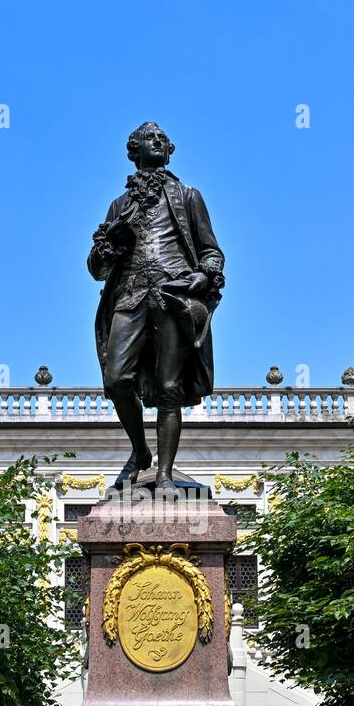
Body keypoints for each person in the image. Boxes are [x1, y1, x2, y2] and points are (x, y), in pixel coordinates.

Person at [88, 122, 225, 493]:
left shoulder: (187, 196)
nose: (160, 142)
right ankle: (140, 451)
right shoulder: (119, 205)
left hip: (173, 296)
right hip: (130, 295)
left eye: (164, 139)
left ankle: (164, 474)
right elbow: (97, 270)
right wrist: (109, 242)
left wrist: (204, 275)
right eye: (151, 138)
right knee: (116, 380)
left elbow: (211, 250)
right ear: (134, 150)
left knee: (169, 388)